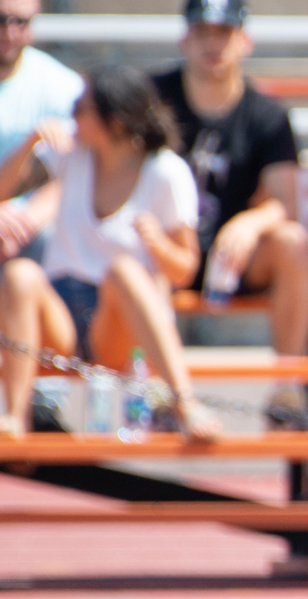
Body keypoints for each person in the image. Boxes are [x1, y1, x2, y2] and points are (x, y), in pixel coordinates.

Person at [0, 65, 219, 440]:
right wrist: (32, 139)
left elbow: (185, 270)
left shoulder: (165, 172)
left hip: (118, 327)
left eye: (81, 108)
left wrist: (158, 244)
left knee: (124, 270)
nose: (72, 116)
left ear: (114, 121)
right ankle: (14, 417)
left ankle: (185, 404)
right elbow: (4, 191)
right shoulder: (71, 155)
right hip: (62, 318)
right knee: (20, 274)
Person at [152, 0, 308, 429]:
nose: (213, 43)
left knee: (291, 242)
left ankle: (287, 392)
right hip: (168, 249)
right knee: (141, 251)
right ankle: (161, 393)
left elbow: (284, 203)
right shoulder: (153, 101)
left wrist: (249, 223)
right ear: (184, 38)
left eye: (223, 32)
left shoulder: (267, 115)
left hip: (233, 257)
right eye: (203, 31)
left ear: (245, 39)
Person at [0, 0, 81, 264]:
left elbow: (78, 175)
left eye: (20, 21)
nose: (9, 32)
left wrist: (24, 225)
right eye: (0, 19)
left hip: (33, 236)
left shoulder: (64, 89)